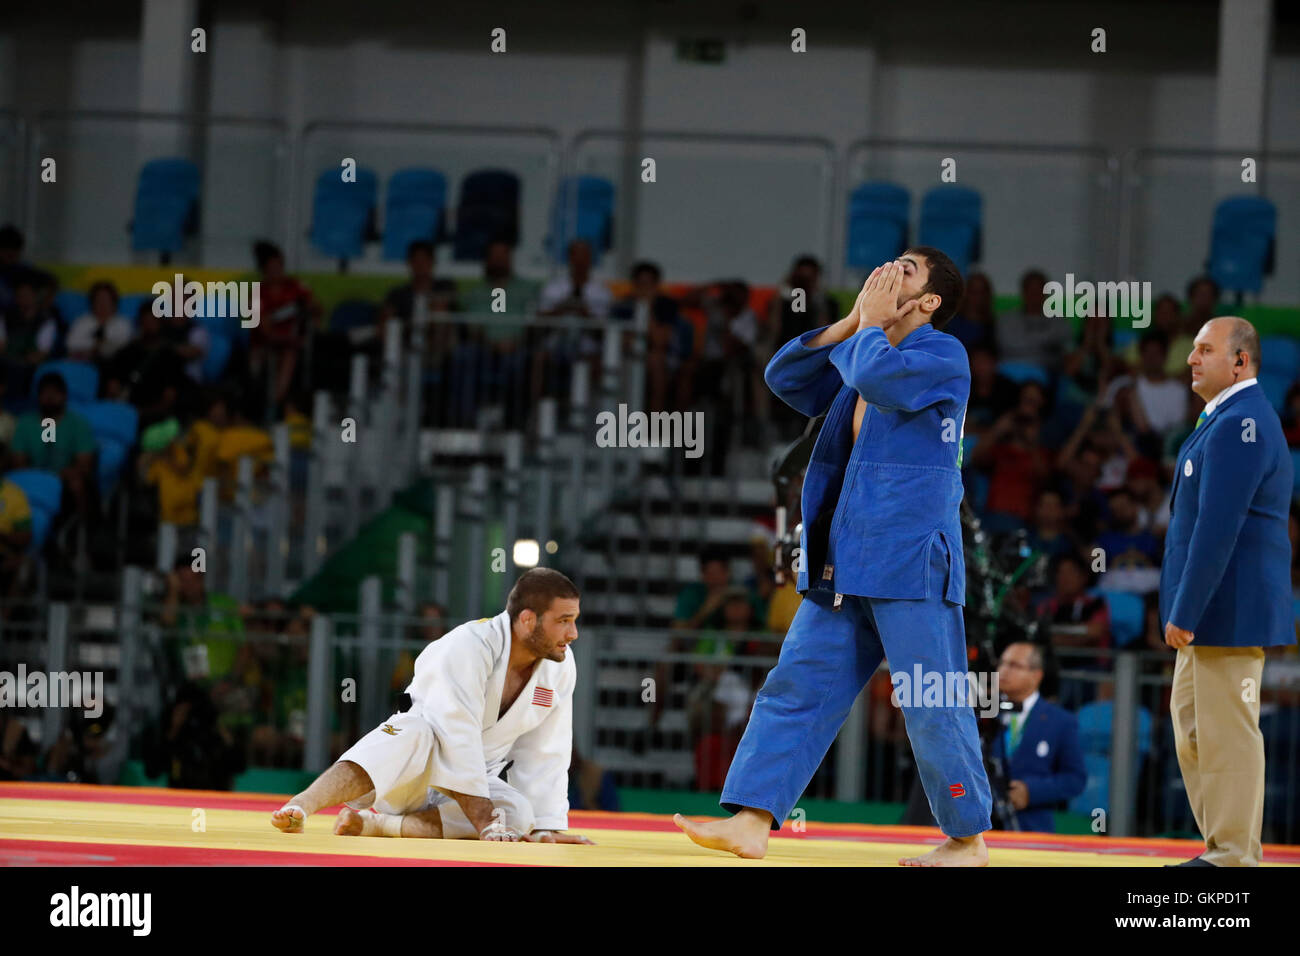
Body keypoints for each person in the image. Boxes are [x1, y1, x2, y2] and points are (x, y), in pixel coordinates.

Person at [675, 249, 992, 865]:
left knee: (932, 700)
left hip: (912, 562)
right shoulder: (862, 349)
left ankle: (967, 838)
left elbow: (879, 379)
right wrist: (852, 322)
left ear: (929, 302)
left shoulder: (942, 357)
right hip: (843, 559)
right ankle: (752, 819)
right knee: (795, 686)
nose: (888, 273)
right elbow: (785, 378)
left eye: (906, 271)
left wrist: (869, 327)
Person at [270, 568, 595, 844]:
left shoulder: (559, 666)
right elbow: (457, 734)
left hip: (471, 783)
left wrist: (545, 827)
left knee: (519, 814)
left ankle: (376, 825)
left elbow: (546, 749)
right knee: (412, 731)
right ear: (527, 620)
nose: (573, 633)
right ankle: (301, 806)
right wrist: (485, 822)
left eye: (574, 620)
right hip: (409, 772)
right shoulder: (468, 646)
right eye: (564, 621)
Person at [1161, 316, 1295, 867]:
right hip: (1215, 607)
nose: (1191, 359)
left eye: (1204, 349)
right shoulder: (1226, 419)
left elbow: (1218, 528)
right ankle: (1223, 847)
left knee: (1228, 734)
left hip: (1227, 607)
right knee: (1194, 729)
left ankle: (1234, 856)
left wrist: (1185, 610)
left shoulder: (1245, 424)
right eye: (1192, 349)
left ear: (1240, 362)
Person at [990, 642, 1086, 833]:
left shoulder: (1060, 721)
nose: (1003, 671)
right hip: (981, 828)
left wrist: (1031, 792)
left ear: (1036, 676)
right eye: (1002, 663)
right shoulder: (982, 714)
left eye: (1014, 665)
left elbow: (1075, 778)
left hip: (1031, 827)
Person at [65, 281, 132, 364]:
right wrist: (95, 347)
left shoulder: (123, 323)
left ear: (114, 302)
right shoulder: (82, 322)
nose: (102, 303)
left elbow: (124, 345)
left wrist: (99, 348)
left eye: (106, 299)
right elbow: (71, 344)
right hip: (84, 364)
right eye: (99, 299)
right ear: (92, 302)